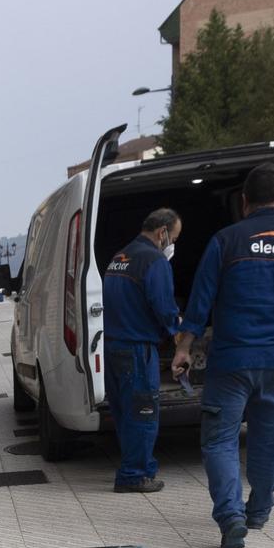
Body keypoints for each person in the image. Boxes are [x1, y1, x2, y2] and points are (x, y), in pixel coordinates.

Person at [172, 164, 274, 548]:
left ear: (244, 201)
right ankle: (258, 510)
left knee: (220, 441)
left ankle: (230, 516)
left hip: (230, 361)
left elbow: (200, 300)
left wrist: (183, 347)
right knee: (268, 441)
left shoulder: (227, 240)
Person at [101, 209, 183, 494]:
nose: (172, 244)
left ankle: (137, 466)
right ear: (162, 233)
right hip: (137, 349)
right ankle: (134, 474)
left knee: (126, 412)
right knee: (143, 412)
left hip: (113, 345)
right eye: (173, 237)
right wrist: (178, 331)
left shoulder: (121, 257)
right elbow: (163, 304)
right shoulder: (154, 261)